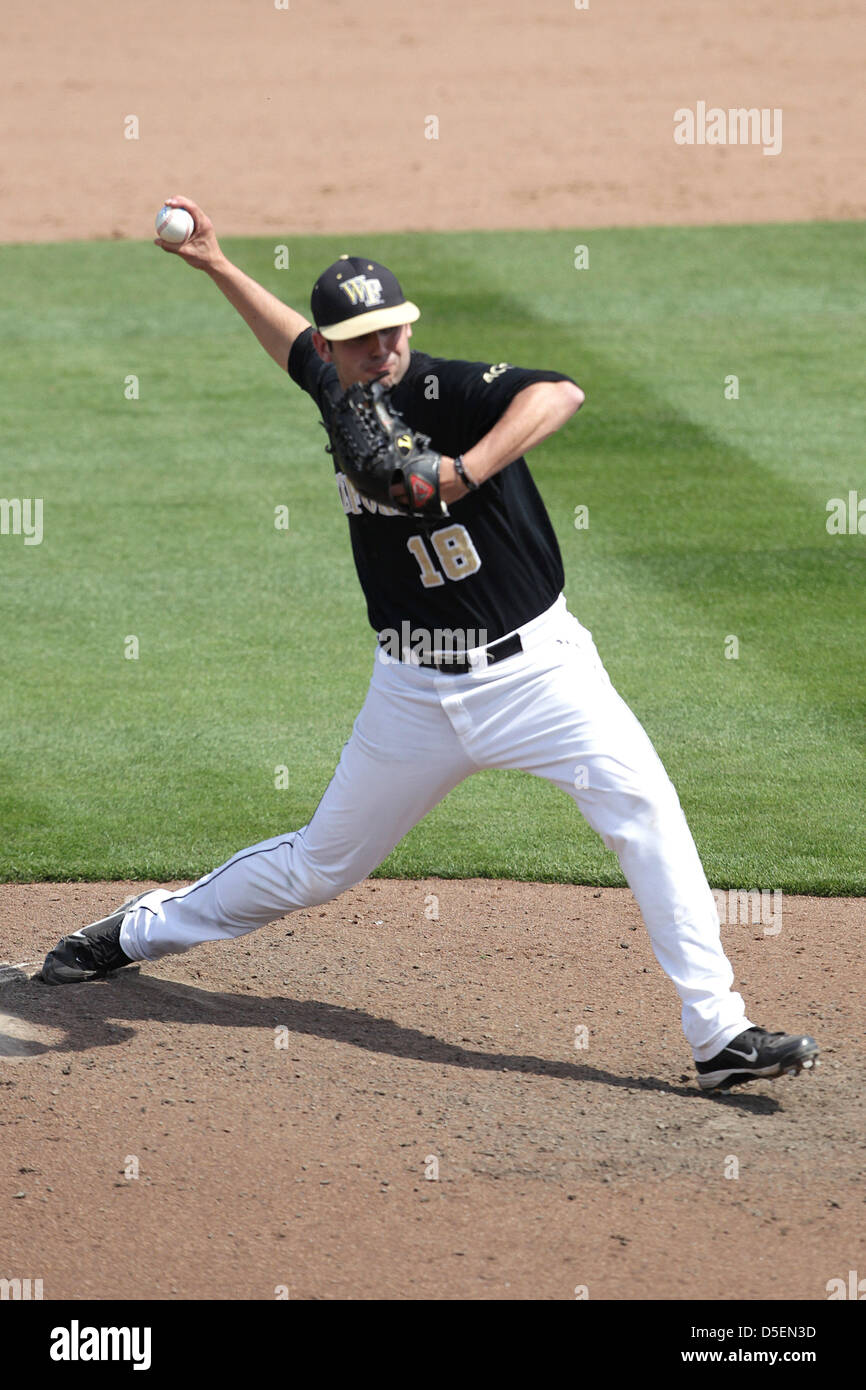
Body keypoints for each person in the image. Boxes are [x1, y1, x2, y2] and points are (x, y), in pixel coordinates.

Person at [39, 196, 818, 1093]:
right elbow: (293, 340)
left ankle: (720, 1035)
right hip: (412, 691)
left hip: (542, 675)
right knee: (320, 867)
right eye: (361, 338)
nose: (383, 350)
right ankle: (133, 933)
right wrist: (215, 262)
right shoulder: (335, 384)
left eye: (393, 331)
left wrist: (461, 471)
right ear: (336, 347)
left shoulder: (441, 388)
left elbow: (559, 390)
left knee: (647, 816)